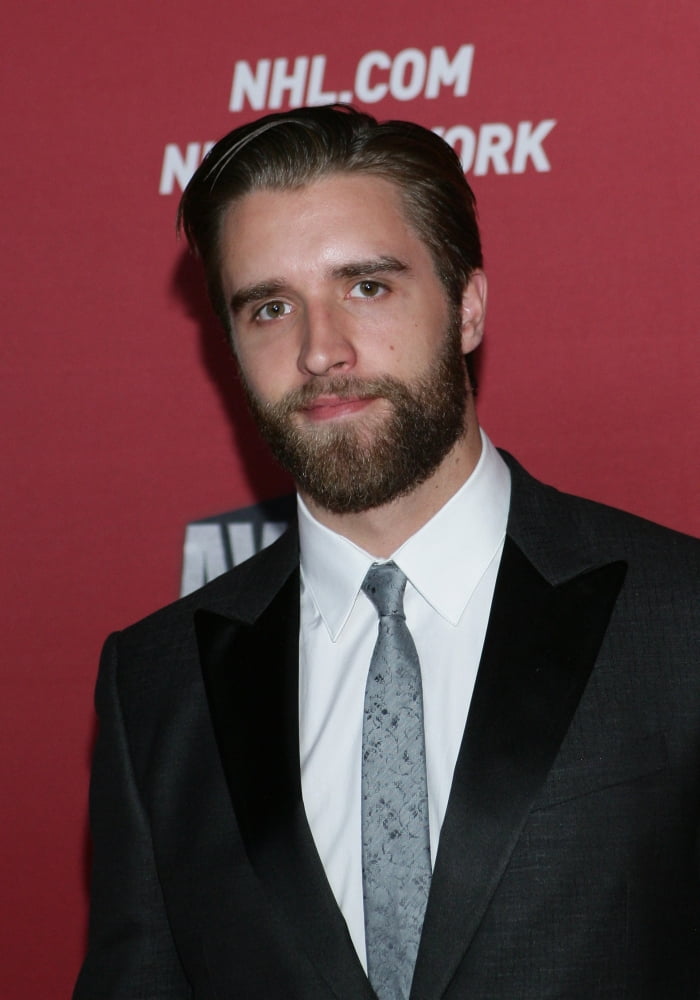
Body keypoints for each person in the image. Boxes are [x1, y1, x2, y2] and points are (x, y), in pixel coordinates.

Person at [73, 106, 700, 999]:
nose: (320, 351)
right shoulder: (156, 684)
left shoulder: (682, 622)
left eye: (367, 287)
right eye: (271, 306)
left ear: (469, 307)